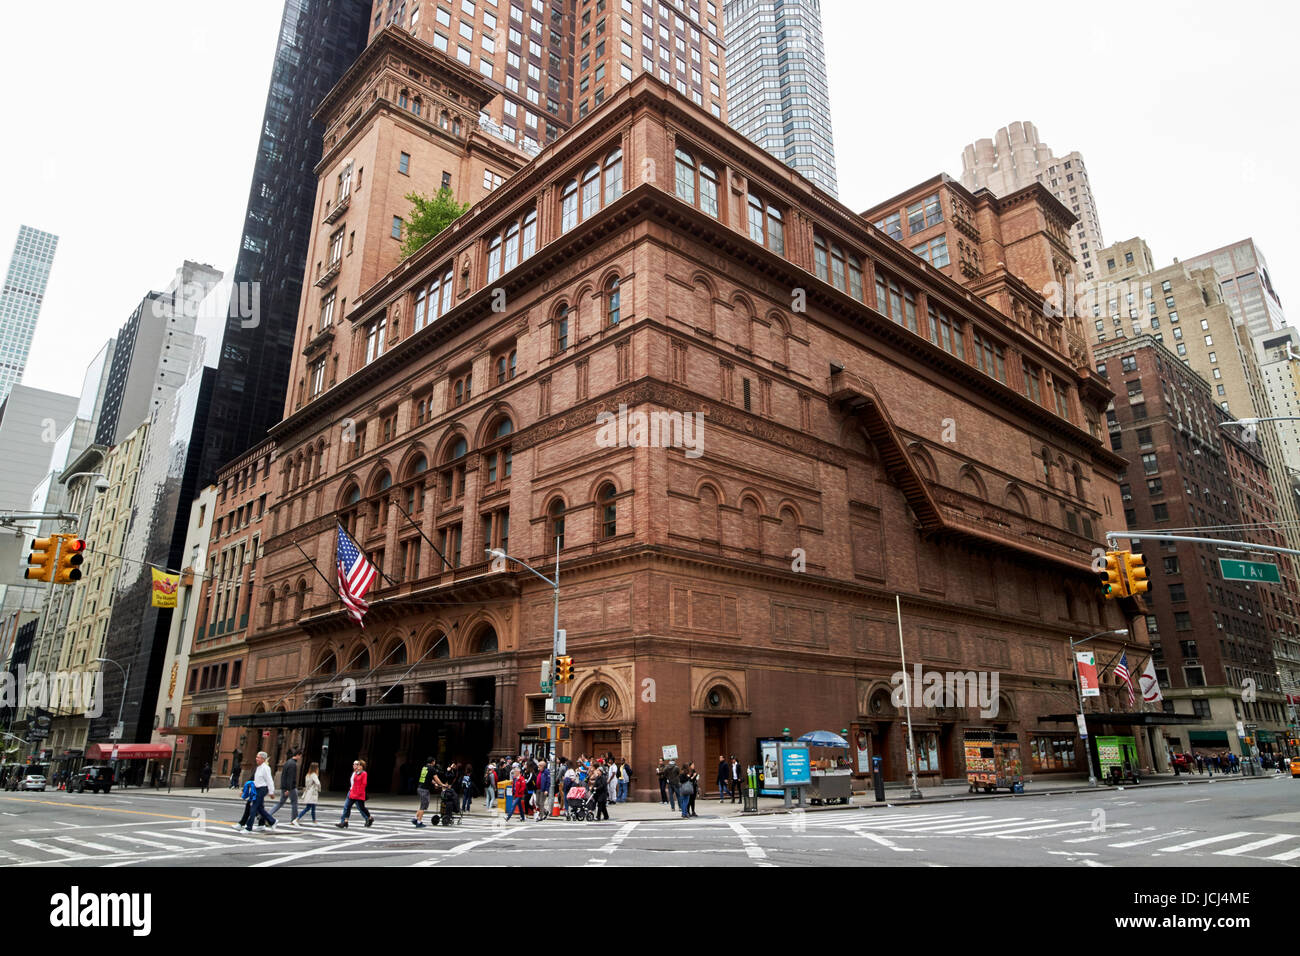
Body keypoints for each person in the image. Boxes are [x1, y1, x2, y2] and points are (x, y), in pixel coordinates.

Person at [244, 751, 277, 833]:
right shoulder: (258, 767)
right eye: (256, 757)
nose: (256, 759)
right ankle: (271, 821)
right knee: (260, 808)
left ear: (263, 759)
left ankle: (248, 827)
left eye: (258, 757)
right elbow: (256, 780)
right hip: (257, 789)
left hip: (263, 789)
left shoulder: (266, 768)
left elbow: (269, 780)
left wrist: (271, 791)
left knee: (253, 807)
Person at [336, 759, 374, 828]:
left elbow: (364, 784)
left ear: (362, 766)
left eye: (358, 765)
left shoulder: (364, 773)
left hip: (359, 794)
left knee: (362, 808)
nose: (357, 766)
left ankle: (369, 818)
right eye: (356, 765)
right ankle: (345, 822)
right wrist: (352, 792)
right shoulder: (356, 773)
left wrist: (359, 792)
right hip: (352, 793)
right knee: (347, 807)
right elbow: (353, 784)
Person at [268, 750, 300, 825]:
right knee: (294, 803)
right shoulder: (293, 764)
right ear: (298, 755)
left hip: (284, 786)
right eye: (300, 756)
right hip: (290, 787)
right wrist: (288, 789)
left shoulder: (287, 762)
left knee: (280, 803)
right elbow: (290, 777)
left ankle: (268, 815)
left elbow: (283, 776)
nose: (300, 758)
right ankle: (294, 819)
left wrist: (284, 787)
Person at [413, 756, 444, 828]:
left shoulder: (424, 767)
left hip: (420, 787)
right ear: (432, 762)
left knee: (423, 805)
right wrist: (442, 784)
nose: (435, 763)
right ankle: (419, 822)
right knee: (423, 806)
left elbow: (428, 778)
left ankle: (415, 819)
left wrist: (435, 784)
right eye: (434, 761)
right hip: (424, 789)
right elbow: (436, 778)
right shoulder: (432, 769)